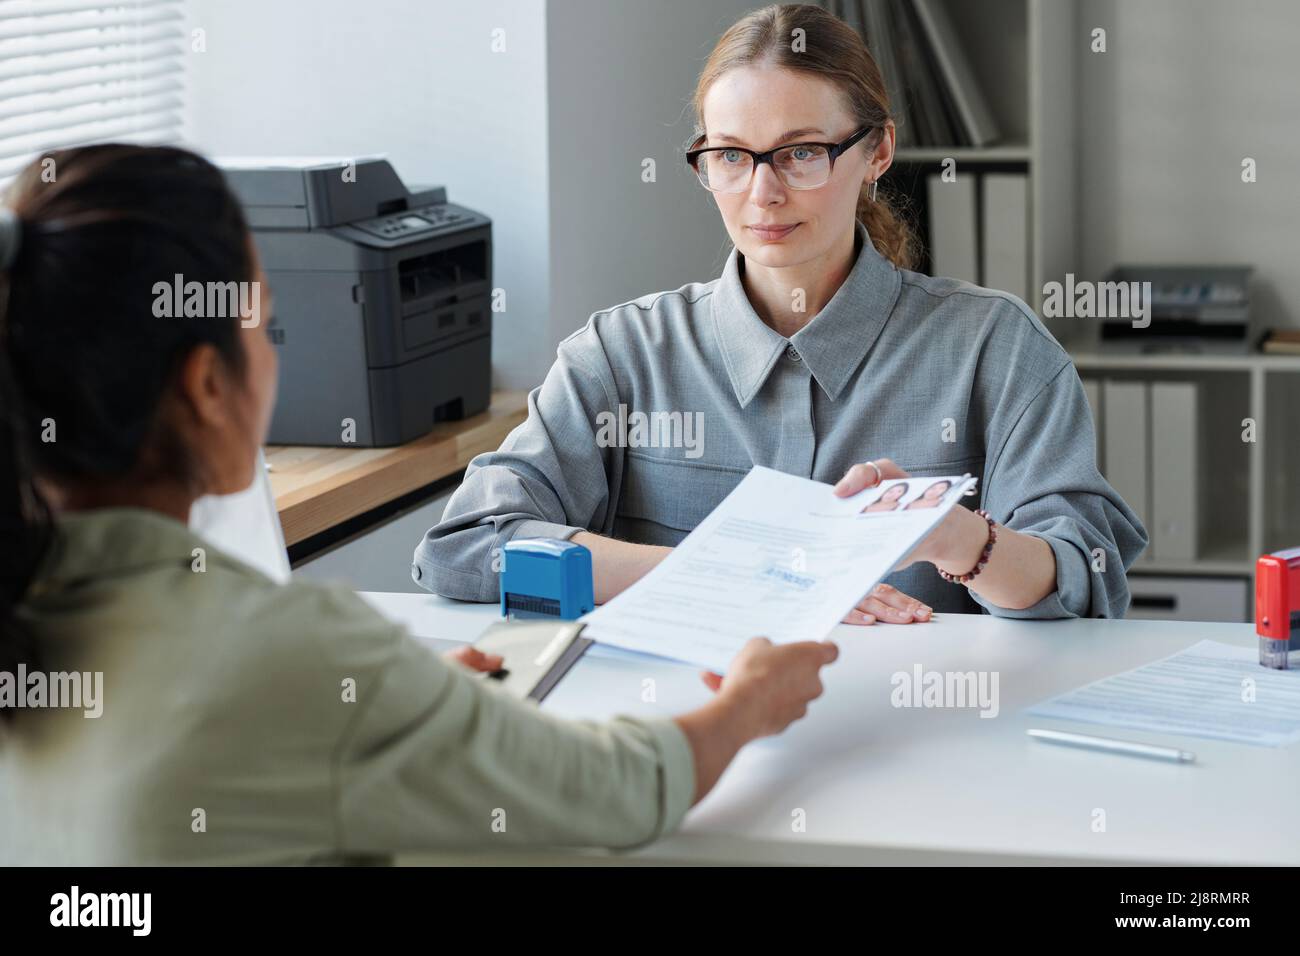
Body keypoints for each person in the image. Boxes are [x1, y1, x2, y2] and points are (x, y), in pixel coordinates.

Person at [0, 144, 837, 865]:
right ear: (208, 385)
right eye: (267, 325)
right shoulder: (290, 652)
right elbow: (618, 790)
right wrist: (747, 705)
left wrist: (387, 703)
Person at [415, 3, 1146, 625]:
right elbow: (466, 549)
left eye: (800, 153)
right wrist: (730, 577)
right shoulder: (619, 353)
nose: (762, 193)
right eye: (731, 156)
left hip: (917, 748)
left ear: (878, 151)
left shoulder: (996, 346)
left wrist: (957, 540)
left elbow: (1090, 580)